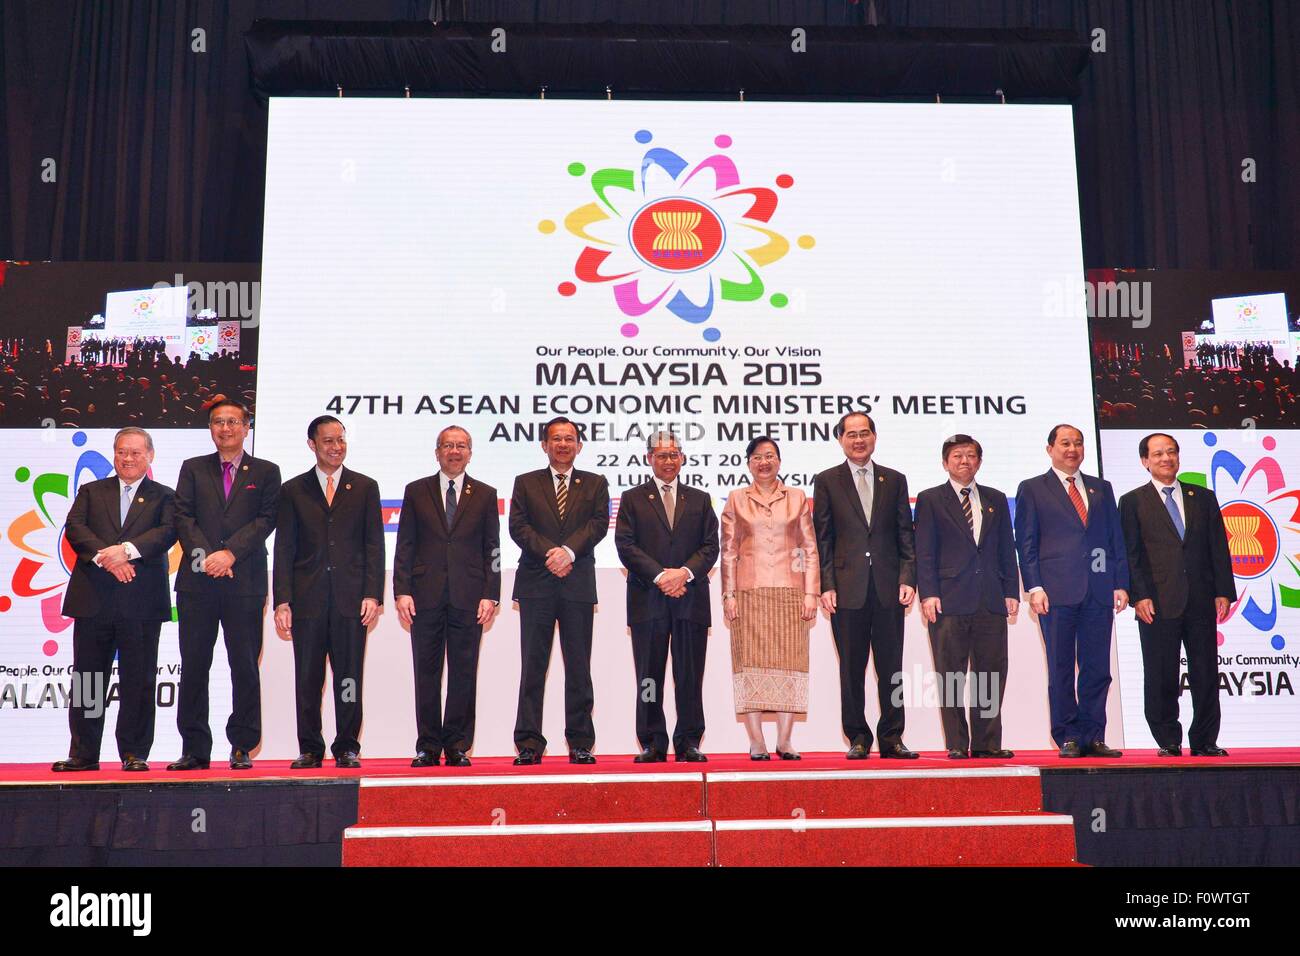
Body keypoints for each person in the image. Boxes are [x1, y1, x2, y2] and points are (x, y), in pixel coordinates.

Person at [53, 427, 176, 772]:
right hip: (94, 600)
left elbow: (166, 532)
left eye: (136, 452)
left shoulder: (165, 496)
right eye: (122, 451)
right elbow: (75, 528)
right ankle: (83, 753)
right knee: (89, 679)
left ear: (150, 456)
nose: (128, 458)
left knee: (139, 679)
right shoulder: (92, 491)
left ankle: (135, 753)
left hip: (142, 604)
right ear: (114, 454)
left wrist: (126, 552)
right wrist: (108, 558)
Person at [169, 400, 280, 771]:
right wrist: (206, 558)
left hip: (244, 582)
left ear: (247, 427)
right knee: (194, 665)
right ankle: (195, 748)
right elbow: (182, 516)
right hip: (197, 584)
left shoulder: (266, 471)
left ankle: (242, 745)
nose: (225, 428)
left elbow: (266, 519)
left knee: (244, 666)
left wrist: (229, 554)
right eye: (218, 422)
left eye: (233, 422)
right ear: (211, 428)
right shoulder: (193, 468)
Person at [273, 416, 384, 770]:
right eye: (328, 441)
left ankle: (348, 745)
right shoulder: (293, 490)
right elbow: (284, 548)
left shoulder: (365, 487)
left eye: (341, 440)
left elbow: (374, 546)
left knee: (349, 677)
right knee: (308, 679)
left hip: (352, 601)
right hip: (307, 601)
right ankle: (310, 747)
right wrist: (282, 600)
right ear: (312, 445)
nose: (336, 447)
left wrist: (373, 594)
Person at [1014, 424, 1129, 758]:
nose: (1072, 449)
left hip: (1098, 590)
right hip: (1055, 593)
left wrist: (1120, 582)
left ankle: (1093, 734)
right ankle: (1067, 735)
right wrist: (1034, 586)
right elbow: (1027, 543)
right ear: (1050, 448)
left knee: (1097, 668)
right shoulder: (1033, 489)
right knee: (1061, 667)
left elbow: (1114, 540)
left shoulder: (1101, 488)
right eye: (1065, 443)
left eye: (1078, 443)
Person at [1118, 433, 1235, 756]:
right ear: (1145, 461)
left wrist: (1224, 590)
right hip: (1155, 602)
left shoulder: (1203, 497)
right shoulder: (1132, 501)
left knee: (1206, 673)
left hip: (1200, 600)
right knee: (1160, 674)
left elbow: (1218, 548)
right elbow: (1131, 554)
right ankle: (1168, 740)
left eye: (1171, 452)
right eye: (1157, 454)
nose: (1165, 458)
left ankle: (1205, 740)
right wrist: (1138, 595)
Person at [813, 412, 919, 760]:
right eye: (851, 435)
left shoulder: (895, 479)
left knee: (892, 668)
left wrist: (908, 578)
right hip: (846, 589)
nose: (858, 440)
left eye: (864, 433)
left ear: (874, 437)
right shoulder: (827, 480)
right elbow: (823, 538)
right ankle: (857, 736)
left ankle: (892, 737)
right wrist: (826, 585)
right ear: (840, 440)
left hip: (889, 587)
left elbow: (906, 533)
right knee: (851, 668)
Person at [393, 425, 501, 768]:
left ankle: (456, 744)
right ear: (437, 452)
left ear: (470, 453)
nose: (455, 452)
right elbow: (404, 545)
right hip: (423, 598)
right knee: (426, 672)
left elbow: (492, 549)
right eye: (448, 446)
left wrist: (491, 595)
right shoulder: (416, 491)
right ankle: (427, 745)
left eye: (462, 446)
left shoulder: (484, 494)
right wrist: (401, 590)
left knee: (463, 672)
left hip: (469, 599)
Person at [509, 417, 610, 765]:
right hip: (537, 584)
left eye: (569, 439)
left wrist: (567, 552)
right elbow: (518, 527)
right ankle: (528, 743)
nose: (563, 444)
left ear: (579, 446)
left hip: (577, 584)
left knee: (578, 667)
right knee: (532, 667)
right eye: (556, 439)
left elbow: (598, 525)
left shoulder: (596, 483)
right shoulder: (526, 483)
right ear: (544, 445)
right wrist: (550, 553)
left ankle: (580, 742)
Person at [614, 431, 719, 762]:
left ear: (683, 458)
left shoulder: (701, 499)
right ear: (649, 459)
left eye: (674, 454)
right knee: (649, 676)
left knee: (689, 675)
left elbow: (710, 546)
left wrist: (683, 574)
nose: (669, 460)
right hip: (649, 599)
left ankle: (689, 740)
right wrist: (661, 576)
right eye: (661, 455)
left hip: (690, 599)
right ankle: (652, 742)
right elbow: (625, 546)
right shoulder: (632, 499)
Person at [915, 435, 1019, 759]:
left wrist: (1011, 591)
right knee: (950, 675)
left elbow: (1006, 548)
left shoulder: (996, 499)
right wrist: (928, 593)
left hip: (990, 598)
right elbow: (925, 552)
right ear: (945, 463)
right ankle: (957, 743)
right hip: (947, 600)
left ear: (979, 461)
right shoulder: (931, 499)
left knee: (990, 673)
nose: (964, 461)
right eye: (957, 456)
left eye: (971, 455)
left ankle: (988, 743)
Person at [721, 437, 819, 759]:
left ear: (779, 461)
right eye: (757, 457)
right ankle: (756, 741)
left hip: (791, 593)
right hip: (748, 594)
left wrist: (810, 593)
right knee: (749, 665)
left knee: (790, 665)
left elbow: (808, 549)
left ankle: (785, 740)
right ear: (748, 463)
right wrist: (729, 594)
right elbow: (728, 551)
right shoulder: (737, 499)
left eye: (770, 456)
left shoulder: (797, 497)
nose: (764, 462)